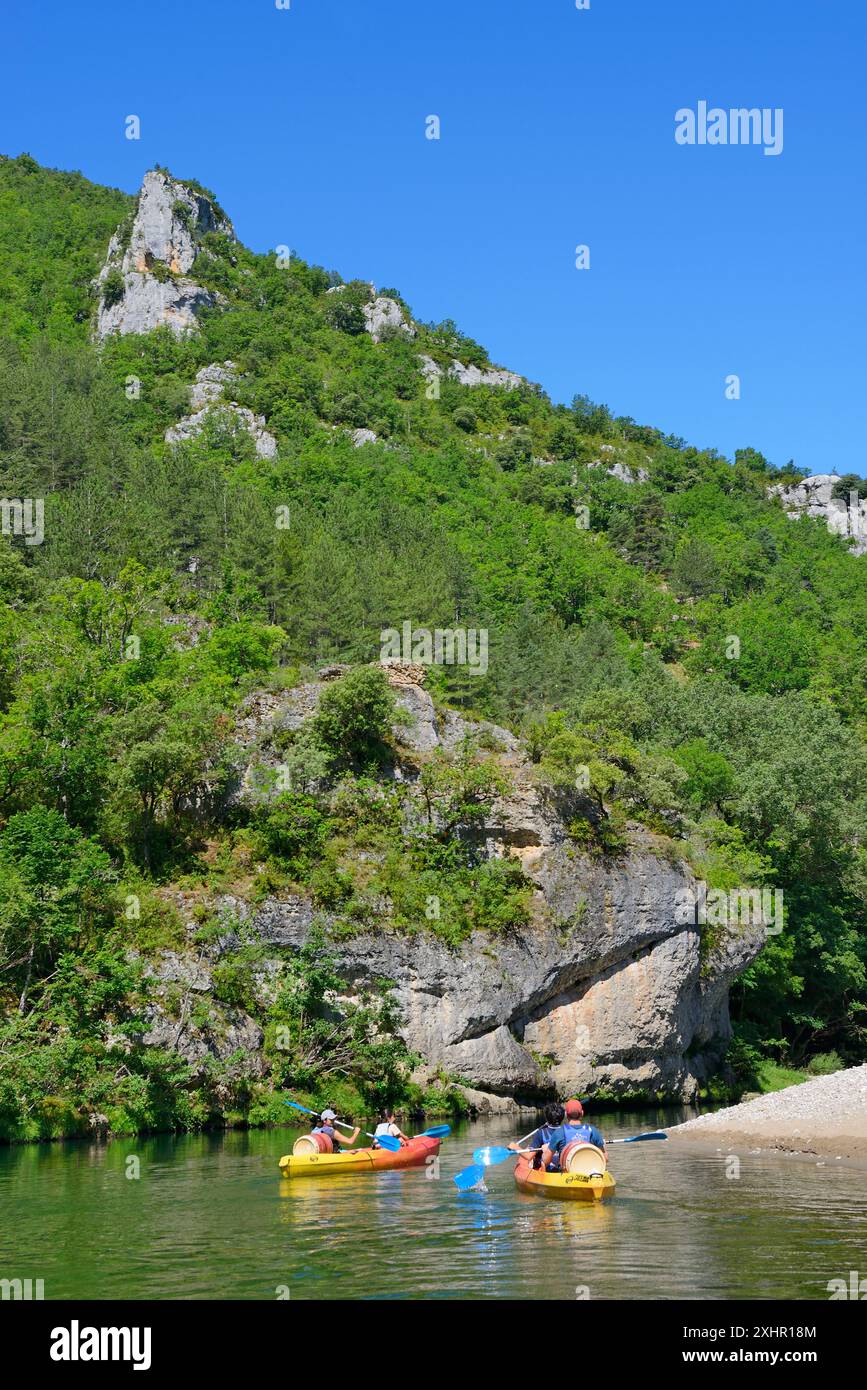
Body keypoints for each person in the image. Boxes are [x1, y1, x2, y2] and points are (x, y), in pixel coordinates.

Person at [541, 1099, 606, 1172]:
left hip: (568, 1175)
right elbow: (605, 1159)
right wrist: (601, 1146)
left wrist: (545, 1151)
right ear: (582, 1113)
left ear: (566, 1114)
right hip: (589, 1173)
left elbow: (545, 1161)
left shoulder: (559, 1132)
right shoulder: (593, 1131)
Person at [509, 1102, 565, 1169]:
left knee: (532, 1152)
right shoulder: (566, 1131)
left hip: (545, 1169)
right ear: (562, 1117)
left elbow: (529, 1156)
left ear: (546, 1118)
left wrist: (515, 1147)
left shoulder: (541, 1133)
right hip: (561, 1167)